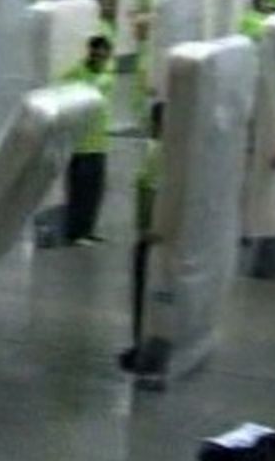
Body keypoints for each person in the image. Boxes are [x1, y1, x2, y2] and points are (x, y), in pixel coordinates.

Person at [120, 103, 164, 373]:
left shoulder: (159, 154)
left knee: (145, 297)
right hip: (160, 238)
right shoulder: (169, 154)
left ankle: (143, 350)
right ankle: (142, 347)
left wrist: (147, 231)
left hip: (152, 239)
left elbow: (150, 190)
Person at [62, 36, 115, 245]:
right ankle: (75, 232)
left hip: (99, 143)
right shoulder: (75, 75)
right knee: (79, 191)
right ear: (90, 52)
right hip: (80, 145)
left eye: (104, 53)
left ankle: (88, 229)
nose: (100, 57)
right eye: (97, 52)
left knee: (95, 190)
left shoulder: (108, 75)